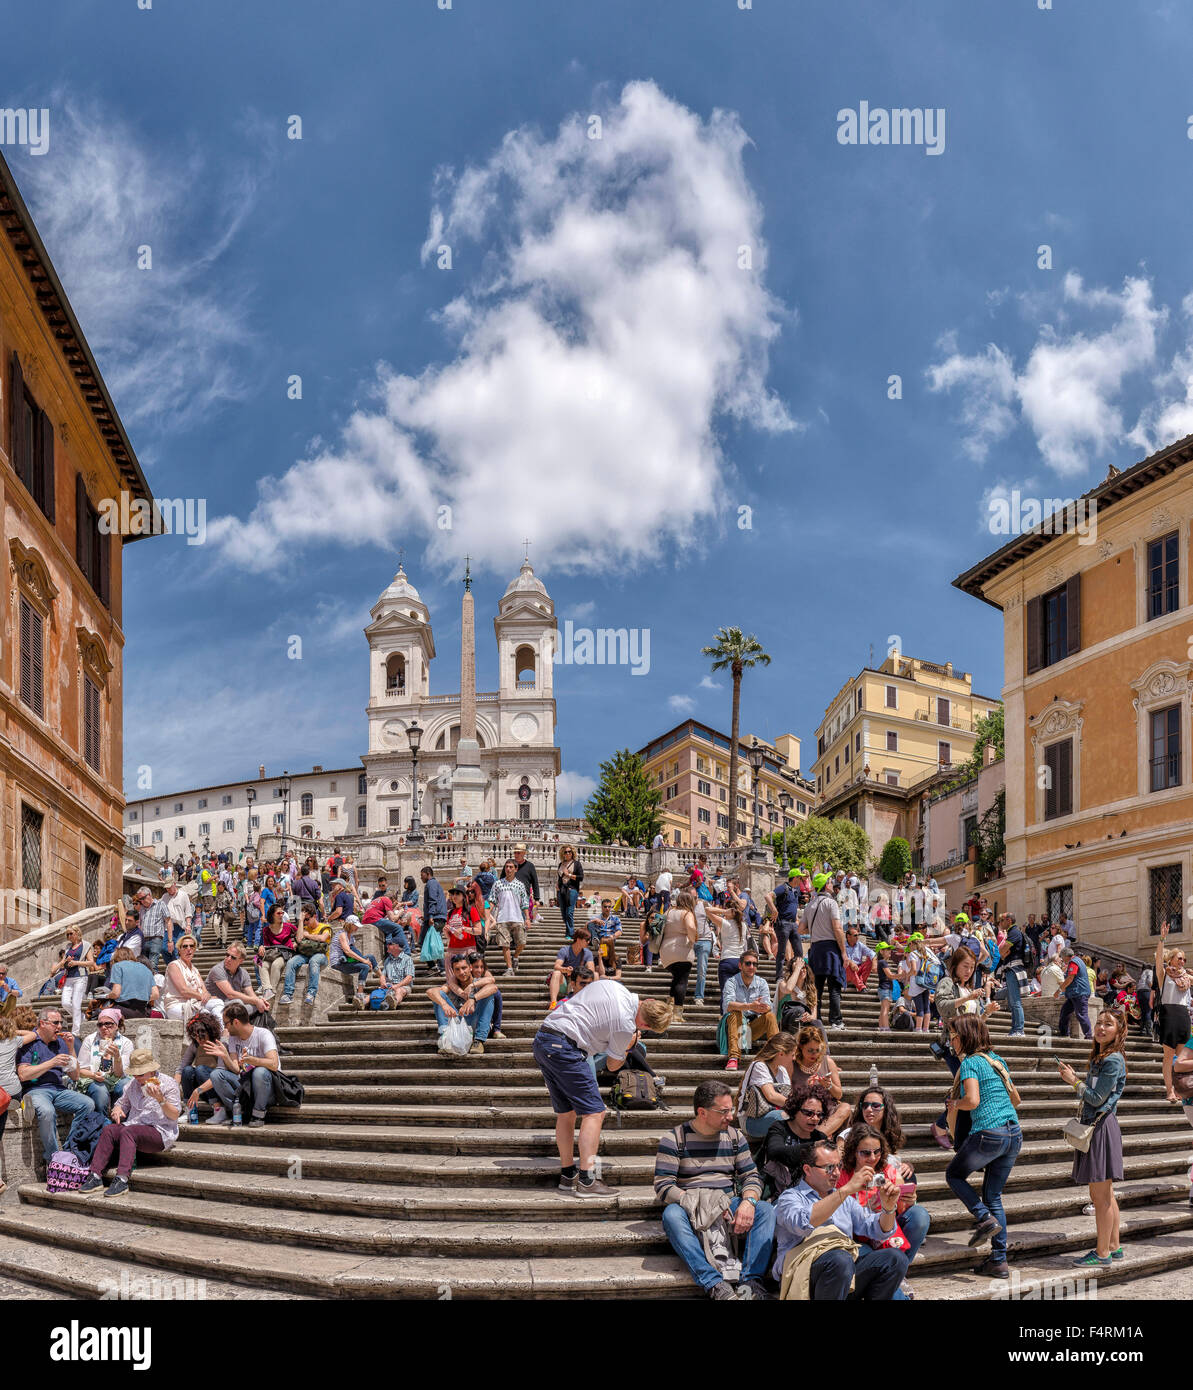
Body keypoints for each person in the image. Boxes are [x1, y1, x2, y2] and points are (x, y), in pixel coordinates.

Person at [533, 979, 675, 1196]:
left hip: (545, 1037)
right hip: (567, 1047)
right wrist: (629, 1045)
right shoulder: (626, 1025)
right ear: (646, 1026)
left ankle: (568, 1174)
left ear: (649, 1000)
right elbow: (612, 1065)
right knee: (595, 1113)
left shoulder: (614, 985)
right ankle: (588, 1180)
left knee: (566, 1112)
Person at [653, 1079, 777, 1300]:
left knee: (765, 1211)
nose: (730, 1117)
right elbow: (663, 1186)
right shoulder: (674, 1139)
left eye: (731, 1110)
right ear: (702, 1112)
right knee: (671, 1215)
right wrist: (702, 1204)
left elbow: (751, 1176)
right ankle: (714, 1284)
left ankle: (750, 1281)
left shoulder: (735, 1136)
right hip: (692, 1206)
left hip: (729, 1203)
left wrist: (749, 1202)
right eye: (724, 1111)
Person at [772, 1136, 907, 1299]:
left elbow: (877, 1229)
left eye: (838, 1166)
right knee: (840, 1259)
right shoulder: (789, 1198)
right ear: (807, 1170)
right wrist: (846, 1190)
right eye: (829, 1168)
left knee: (895, 1259)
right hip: (803, 1273)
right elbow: (803, 1223)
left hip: (843, 1271)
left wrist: (888, 1208)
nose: (836, 1173)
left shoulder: (844, 1199)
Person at [944, 1014, 1022, 1279]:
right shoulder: (996, 1059)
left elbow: (973, 1100)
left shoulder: (970, 1063)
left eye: (953, 1035)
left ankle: (983, 1217)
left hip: (989, 1133)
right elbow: (1015, 1098)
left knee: (954, 1175)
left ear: (964, 1036)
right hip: (1013, 1132)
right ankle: (999, 1261)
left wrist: (955, 1105)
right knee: (994, 1196)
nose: (951, 1041)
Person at [1058, 1008, 1127, 1267]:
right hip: (1099, 1126)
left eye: (1108, 1024)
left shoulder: (1112, 1060)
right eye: (1099, 1022)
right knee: (1106, 1194)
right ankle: (1113, 1246)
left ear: (1119, 1030)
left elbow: (1097, 1099)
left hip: (1101, 1127)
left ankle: (1102, 1254)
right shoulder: (1103, 1057)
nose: (1100, 1028)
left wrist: (1074, 1082)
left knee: (1100, 1198)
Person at [74, 1048, 182, 1198]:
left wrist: (161, 1100)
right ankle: (95, 1175)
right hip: (135, 1126)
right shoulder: (132, 1084)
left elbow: (174, 1115)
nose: (137, 1077)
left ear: (151, 1071)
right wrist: (117, 1109)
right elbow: (122, 1103)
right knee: (110, 1129)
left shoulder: (168, 1084)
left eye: (141, 1074)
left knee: (128, 1131)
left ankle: (122, 1179)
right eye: (135, 1074)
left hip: (160, 1131)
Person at [835, 1124, 925, 1296]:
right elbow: (840, 1216)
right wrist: (866, 1204)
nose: (873, 1157)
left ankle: (897, 1274)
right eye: (865, 1153)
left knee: (919, 1214)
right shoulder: (842, 1174)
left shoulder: (888, 1170)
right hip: (855, 1237)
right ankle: (894, 1278)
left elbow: (900, 1208)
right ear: (854, 1151)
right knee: (872, 1256)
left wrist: (906, 1200)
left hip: (885, 1231)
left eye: (877, 1151)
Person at [17, 1007, 97, 1167]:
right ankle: (53, 1159)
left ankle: (69, 1151)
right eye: (55, 1023)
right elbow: (24, 1075)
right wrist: (52, 1063)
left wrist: (70, 1048)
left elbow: (75, 1076)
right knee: (47, 1112)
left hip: (58, 1089)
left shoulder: (60, 1042)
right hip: (34, 1090)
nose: (60, 1027)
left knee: (88, 1104)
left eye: (61, 1022)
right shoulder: (29, 1042)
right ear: (42, 1023)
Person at [203, 1002, 281, 1127]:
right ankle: (239, 1111)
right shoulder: (234, 1038)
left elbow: (274, 1064)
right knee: (216, 1074)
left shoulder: (263, 1034)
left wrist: (252, 1060)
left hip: (267, 1089)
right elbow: (236, 1069)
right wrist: (225, 1056)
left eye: (226, 1023)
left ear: (236, 1022)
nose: (225, 1028)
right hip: (245, 1086)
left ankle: (258, 1115)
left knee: (259, 1072)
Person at [763, 1081, 833, 1190]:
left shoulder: (820, 1137)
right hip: (776, 1192)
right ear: (795, 1110)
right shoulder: (780, 1127)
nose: (815, 1118)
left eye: (819, 1114)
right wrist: (813, 1146)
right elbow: (775, 1151)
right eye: (808, 1113)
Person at [428, 952, 498, 1055]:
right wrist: (444, 1004)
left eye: (464, 968)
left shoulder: (478, 982)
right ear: (453, 971)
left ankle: (478, 1041)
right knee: (439, 996)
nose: (461, 972)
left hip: (475, 1021)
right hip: (458, 1023)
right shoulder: (451, 985)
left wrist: (473, 999)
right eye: (457, 969)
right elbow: (431, 991)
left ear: (470, 967)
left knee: (489, 994)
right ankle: (446, 1040)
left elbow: (493, 987)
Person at [722, 950, 778, 1072]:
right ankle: (733, 1058)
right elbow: (728, 1005)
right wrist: (749, 1006)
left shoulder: (761, 982)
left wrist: (763, 1007)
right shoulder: (731, 982)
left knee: (770, 1016)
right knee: (734, 1012)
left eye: (754, 964)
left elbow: (769, 1006)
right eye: (748, 963)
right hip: (735, 1029)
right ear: (740, 965)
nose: (751, 967)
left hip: (752, 1029)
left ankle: (776, 1055)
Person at [788, 1025, 850, 1135]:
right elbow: (787, 1095)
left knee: (845, 1107)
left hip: (827, 1111)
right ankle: (820, 1136)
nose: (814, 1054)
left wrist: (828, 1085)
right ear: (801, 1047)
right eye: (810, 1050)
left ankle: (817, 1136)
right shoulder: (792, 1065)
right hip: (804, 1112)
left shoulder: (828, 1062)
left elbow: (839, 1095)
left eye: (817, 1050)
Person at [805, 872, 847, 1030]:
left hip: (816, 949)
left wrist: (817, 929)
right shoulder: (831, 903)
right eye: (830, 881)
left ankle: (817, 1019)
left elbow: (801, 928)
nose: (832, 883)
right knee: (834, 987)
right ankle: (836, 1021)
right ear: (826, 885)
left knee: (817, 987)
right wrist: (843, 952)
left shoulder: (810, 905)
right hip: (830, 948)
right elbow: (837, 928)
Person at [737, 1032, 797, 1141]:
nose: (794, 1058)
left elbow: (788, 1096)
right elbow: (771, 1096)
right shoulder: (759, 1066)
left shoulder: (782, 1070)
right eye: (792, 1055)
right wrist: (798, 1106)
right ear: (781, 1053)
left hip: (774, 1113)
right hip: (751, 1120)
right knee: (782, 1117)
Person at [1155, 922, 1191, 1102]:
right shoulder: (1164, 974)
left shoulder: (1188, 977)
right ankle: (1169, 1091)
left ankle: (1180, 1090)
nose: (1182, 961)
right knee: (1169, 1056)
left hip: (1184, 1015)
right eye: (1179, 958)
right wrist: (1162, 938)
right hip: (1168, 1015)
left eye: (1184, 959)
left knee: (1181, 1059)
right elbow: (1158, 957)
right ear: (1171, 960)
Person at [75, 1009, 133, 1116]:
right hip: (95, 1078)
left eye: (108, 1024)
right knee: (100, 1090)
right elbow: (81, 1069)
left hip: (117, 1079)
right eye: (100, 1024)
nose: (103, 1027)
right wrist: (93, 1075)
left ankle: (120, 1120)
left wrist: (117, 1057)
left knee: (125, 1085)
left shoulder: (126, 1043)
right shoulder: (90, 1040)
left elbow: (119, 1074)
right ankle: (102, 1121)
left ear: (116, 1025)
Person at [279, 904, 332, 1007]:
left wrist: (307, 935)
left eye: (307, 919)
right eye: (304, 919)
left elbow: (322, 938)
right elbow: (299, 939)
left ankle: (311, 993)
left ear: (314, 916)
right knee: (291, 962)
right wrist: (301, 921)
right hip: (305, 954)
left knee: (314, 961)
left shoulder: (326, 927)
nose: (306, 922)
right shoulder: (304, 927)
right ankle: (288, 994)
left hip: (321, 955)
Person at [487, 859, 531, 977]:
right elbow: (492, 900)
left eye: (511, 867)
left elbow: (525, 903)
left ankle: (515, 956)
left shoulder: (520, 885)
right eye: (506, 867)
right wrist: (487, 913)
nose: (508, 869)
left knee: (522, 942)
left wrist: (527, 918)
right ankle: (510, 968)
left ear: (516, 869)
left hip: (517, 918)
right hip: (502, 918)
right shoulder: (498, 884)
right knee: (504, 944)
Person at [658, 888, 698, 1016]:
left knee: (676, 979)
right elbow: (691, 927)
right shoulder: (687, 913)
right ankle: (677, 1014)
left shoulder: (669, 911)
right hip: (681, 950)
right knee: (682, 981)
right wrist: (693, 939)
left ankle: (669, 1007)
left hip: (665, 951)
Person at [204, 943, 269, 1020]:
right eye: (227, 955)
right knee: (238, 1003)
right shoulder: (217, 970)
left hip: (232, 1007)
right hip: (215, 1006)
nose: (228, 959)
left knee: (259, 1005)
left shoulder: (244, 973)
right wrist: (256, 1001)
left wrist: (260, 1001)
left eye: (233, 957)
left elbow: (251, 995)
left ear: (241, 961)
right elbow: (230, 994)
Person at [177, 1010, 226, 1113]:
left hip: (216, 1086)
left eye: (202, 1035)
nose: (199, 1039)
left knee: (200, 1069)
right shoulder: (194, 1045)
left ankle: (217, 1108)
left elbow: (221, 1071)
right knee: (187, 1070)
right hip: (201, 1088)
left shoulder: (220, 1044)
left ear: (210, 1031)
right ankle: (189, 1108)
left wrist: (199, 1090)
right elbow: (181, 1069)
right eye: (195, 1036)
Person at [330, 919, 377, 1009]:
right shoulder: (342, 934)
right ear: (350, 924)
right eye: (356, 925)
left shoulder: (351, 937)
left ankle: (380, 975)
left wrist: (365, 960)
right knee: (364, 967)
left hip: (346, 961)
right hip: (338, 963)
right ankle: (359, 993)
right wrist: (364, 961)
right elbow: (347, 951)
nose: (357, 928)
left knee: (370, 957)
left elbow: (352, 954)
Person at [548, 925, 594, 1009]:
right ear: (579, 939)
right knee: (556, 973)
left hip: (579, 982)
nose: (588, 942)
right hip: (565, 981)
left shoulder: (588, 953)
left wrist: (578, 972)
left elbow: (591, 969)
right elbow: (557, 966)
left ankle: (593, 1001)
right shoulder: (565, 950)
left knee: (596, 975)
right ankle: (553, 1002)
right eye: (587, 940)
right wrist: (565, 969)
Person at [106, 947, 159, 1018]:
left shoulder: (117, 966)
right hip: (142, 1012)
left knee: (97, 1012)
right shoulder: (146, 969)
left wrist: (108, 996)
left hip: (123, 1010)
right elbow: (156, 994)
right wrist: (141, 996)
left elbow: (116, 993)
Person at [1057, 947, 1093, 1042]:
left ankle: (1089, 1036)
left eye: (1062, 957)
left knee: (1081, 1014)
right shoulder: (1078, 961)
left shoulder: (1073, 962)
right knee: (1065, 1011)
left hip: (1079, 993)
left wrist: (1059, 990)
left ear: (1065, 956)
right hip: (1074, 993)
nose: (1062, 959)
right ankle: (1064, 1033)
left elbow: (1070, 978)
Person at [378, 938, 415, 1008]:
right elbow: (383, 975)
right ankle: (363, 1002)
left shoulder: (407, 959)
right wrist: (383, 982)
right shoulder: (387, 960)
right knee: (375, 992)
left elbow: (409, 978)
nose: (387, 945)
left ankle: (394, 1002)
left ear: (396, 946)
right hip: (389, 986)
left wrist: (396, 986)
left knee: (399, 991)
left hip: (403, 986)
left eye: (389, 944)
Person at [557, 845, 584, 940]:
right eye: (565, 852)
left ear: (572, 853)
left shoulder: (576, 864)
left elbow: (581, 877)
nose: (567, 853)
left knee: (569, 912)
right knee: (563, 913)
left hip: (572, 889)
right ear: (563, 854)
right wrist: (558, 885)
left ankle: (571, 933)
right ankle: (568, 931)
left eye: (569, 852)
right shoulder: (561, 864)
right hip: (562, 890)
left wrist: (569, 875)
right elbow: (560, 877)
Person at [512, 843, 540, 922]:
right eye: (515, 852)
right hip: (511, 895)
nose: (516, 854)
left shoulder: (530, 866)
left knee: (522, 919)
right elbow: (502, 879)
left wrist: (537, 898)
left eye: (518, 852)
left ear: (524, 853)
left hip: (525, 896)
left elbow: (535, 882)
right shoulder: (510, 864)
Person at [844, 926, 875, 992]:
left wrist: (874, 963)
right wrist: (851, 962)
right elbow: (842, 958)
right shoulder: (842, 946)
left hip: (858, 969)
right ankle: (861, 987)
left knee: (870, 959)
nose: (857, 937)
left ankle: (861, 982)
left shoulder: (859, 945)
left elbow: (871, 953)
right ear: (848, 937)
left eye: (858, 935)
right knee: (847, 964)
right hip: (847, 972)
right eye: (855, 935)